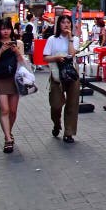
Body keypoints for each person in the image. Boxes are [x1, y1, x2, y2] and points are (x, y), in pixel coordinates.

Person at [0, 18, 26, 153]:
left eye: (8, 28)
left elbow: (23, 62)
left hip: (15, 79)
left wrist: (16, 51)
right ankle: (8, 139)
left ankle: (8, 132)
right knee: (4, 109)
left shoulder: (19, 43)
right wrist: (0, 51)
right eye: (3, 29)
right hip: (0, 79)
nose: (6, 31)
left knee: (13, 111)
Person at [43, 15, 79, 144]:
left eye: (68, 22)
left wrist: (70, 39)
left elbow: (72, 54)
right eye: (63, 22)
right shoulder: (52, 39)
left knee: (72, 103)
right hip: (56, 73)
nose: (66, 25)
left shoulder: (75, 39)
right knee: (56, 104)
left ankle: (69, 132)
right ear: (59, 25)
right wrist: (56, 58)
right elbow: (45, 57)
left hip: (71, 73)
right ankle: (56, 123)